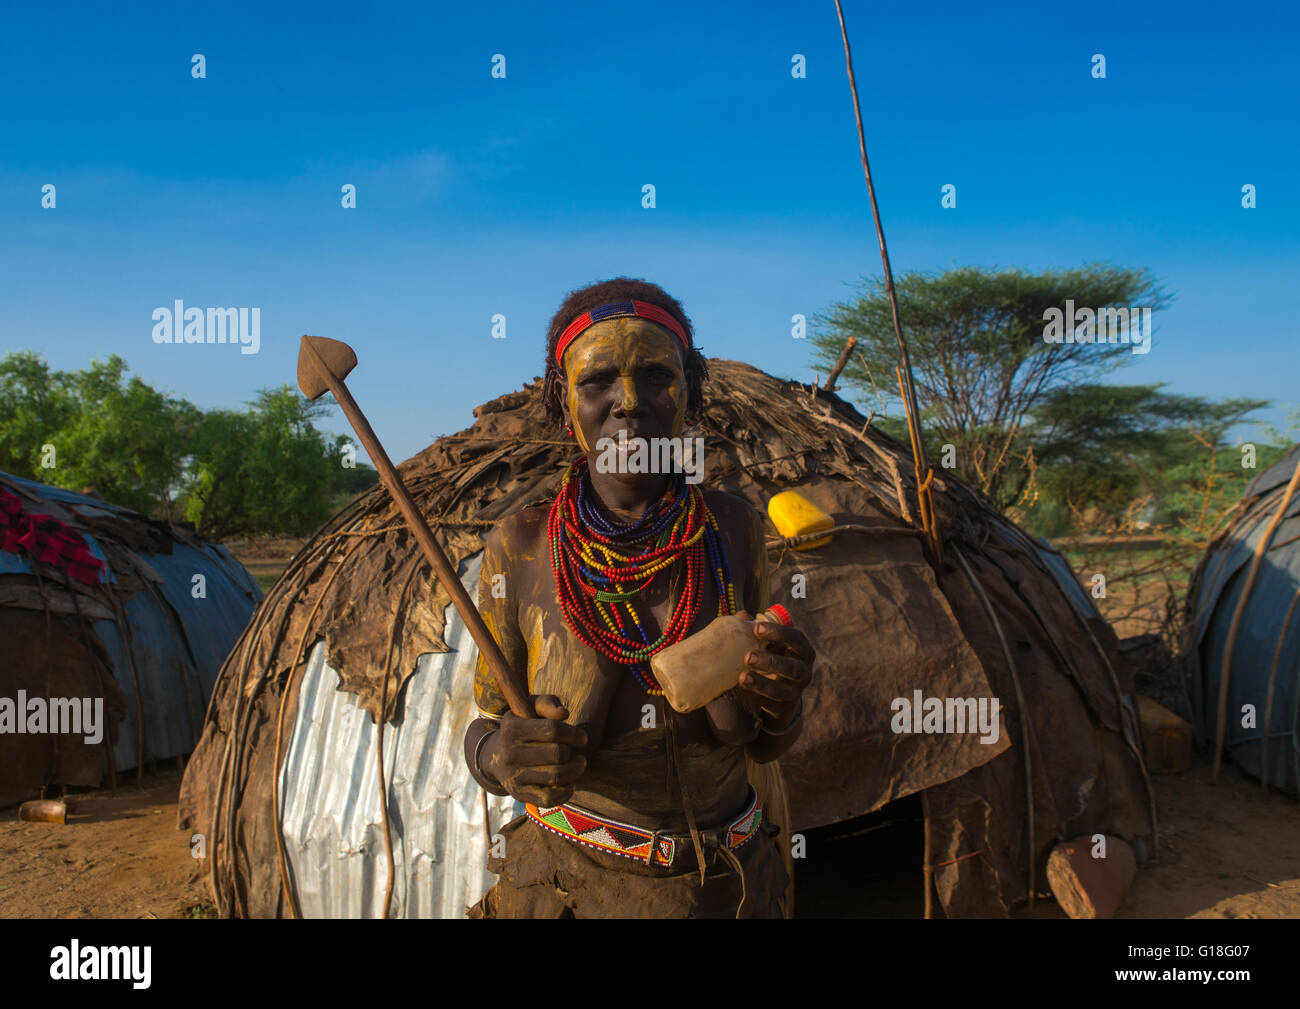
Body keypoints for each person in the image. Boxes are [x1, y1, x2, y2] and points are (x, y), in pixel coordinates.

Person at [463, 277, 816, 918]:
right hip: (571, 887)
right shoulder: (519, 544)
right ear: (563, 399)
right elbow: (488, 723)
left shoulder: (733, 529)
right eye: (598, 380)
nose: (628, 401)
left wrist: (785, 700)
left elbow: (763, 743)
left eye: (655, 374)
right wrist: (499, 754)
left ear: (690, 390)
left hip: (732, 889)